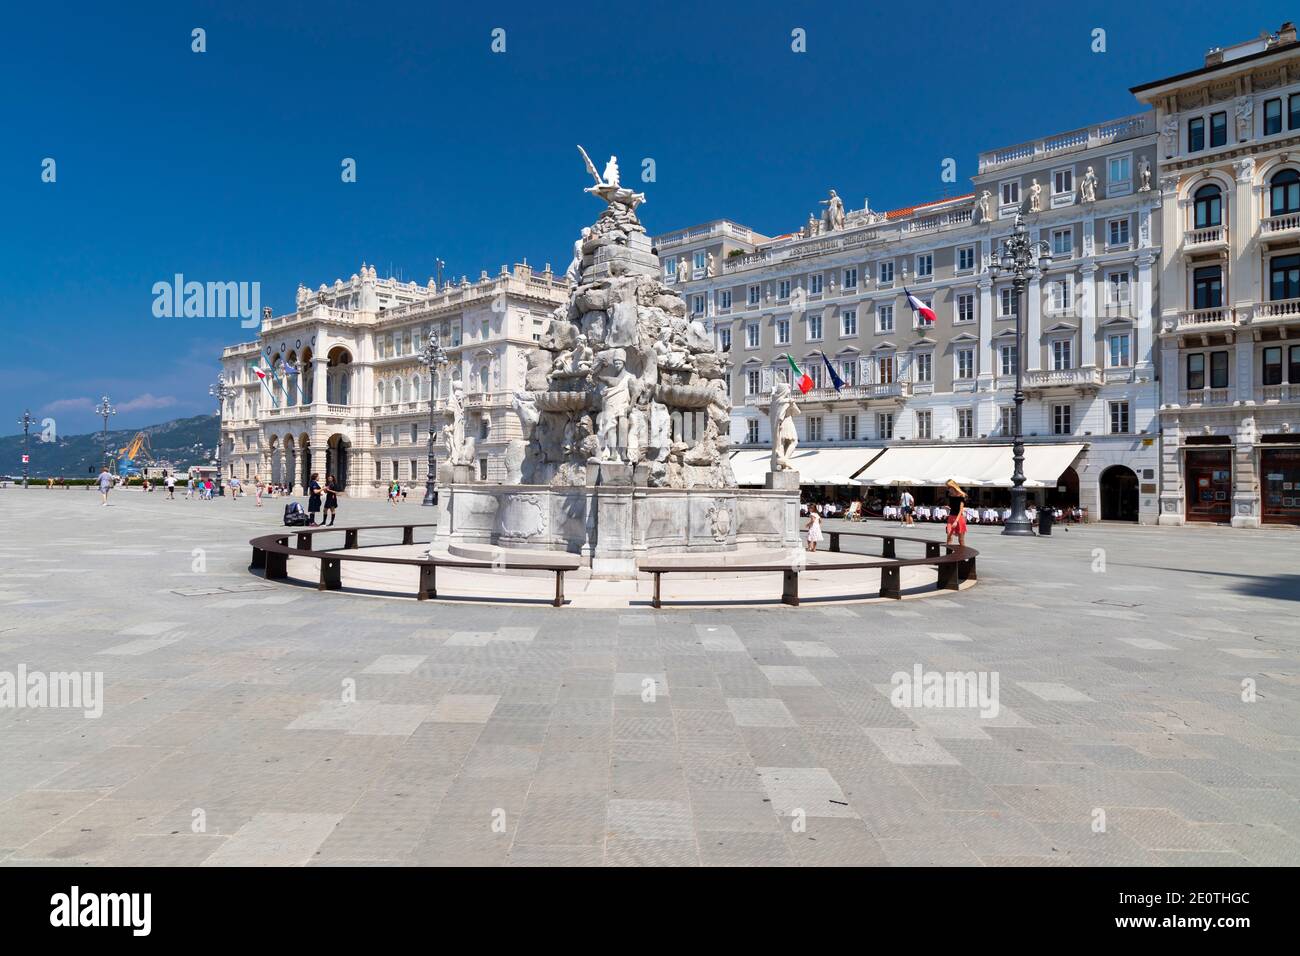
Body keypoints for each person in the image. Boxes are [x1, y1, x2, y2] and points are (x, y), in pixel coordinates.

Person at [945, 479, 968, 548]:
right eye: (947, 487)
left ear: (953, 486)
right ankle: (949, 556)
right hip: (951, 517)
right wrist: (949, 508)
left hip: (959, 518)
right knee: (949, 537)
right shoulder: (950, 495)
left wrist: (956, 521)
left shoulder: (961, 496)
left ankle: (963, 555)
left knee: (961, 540)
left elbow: (960, 510)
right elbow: (954, 507)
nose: (948, 489)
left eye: (949, 487)